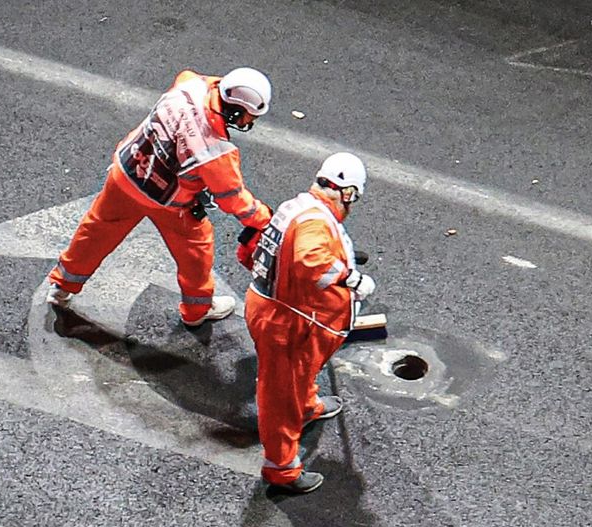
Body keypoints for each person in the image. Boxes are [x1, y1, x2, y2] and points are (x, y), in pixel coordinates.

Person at [46, 67, 274, 327]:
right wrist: (263, 219)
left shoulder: (190, 85)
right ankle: (197, 310)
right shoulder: (216, 152)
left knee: (95, 232)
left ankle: (62, 286)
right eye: (250, 117)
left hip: (126, 175)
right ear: (236, 111)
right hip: (168, 203)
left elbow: (196, 79)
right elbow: (232, 199)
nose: (250, 122)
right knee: (196, 252)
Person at [244, 152, 376, 494]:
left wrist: (345, 257)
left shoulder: (300, 206)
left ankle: (306, 407)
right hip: (285, 322)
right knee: (280, 396)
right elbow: (309, 261)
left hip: (282, 312)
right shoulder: (315, 222)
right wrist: (350, 277)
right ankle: (282, 469)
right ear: (348, 192)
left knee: (298, 376)